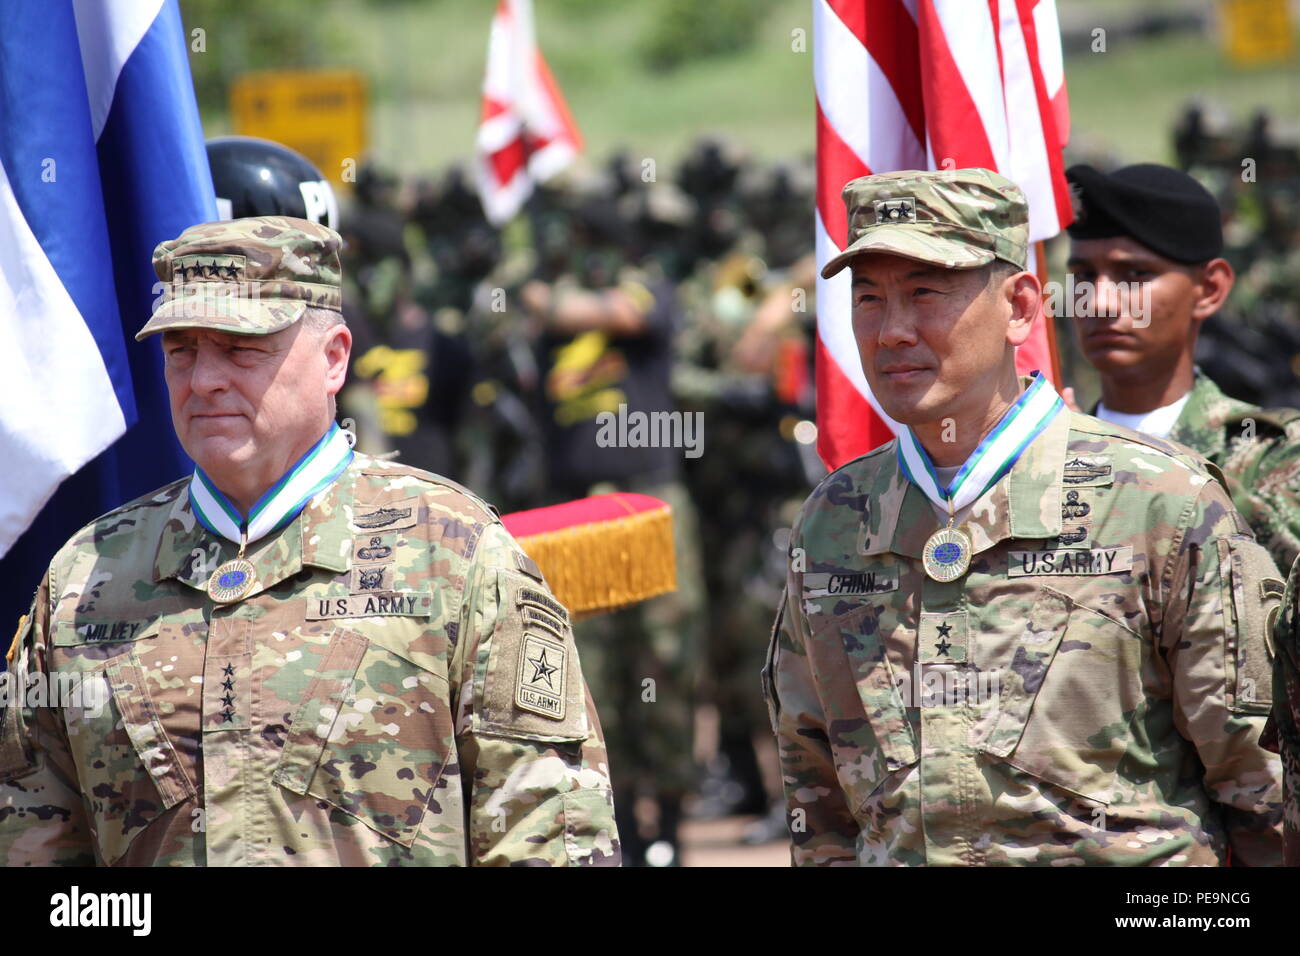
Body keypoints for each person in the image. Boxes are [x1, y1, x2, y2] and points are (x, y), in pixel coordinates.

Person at [0, 216, 619, 866]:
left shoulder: (455, 553)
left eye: (242, 347)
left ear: (334, 359)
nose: (203, 378)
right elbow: (32, 841)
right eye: (181, 348)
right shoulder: (87, 578)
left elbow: (552, 836)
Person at [763, 168, 1283, 866]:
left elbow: (1262, 793)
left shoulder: (1161, 501)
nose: (890, 332)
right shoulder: (833, 521)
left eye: (924, 293)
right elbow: (817, 797)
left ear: (1020, 307)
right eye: (868, 299)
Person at [1065, 162, 1300, 573]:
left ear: (1209, 289)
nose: (1098, 302)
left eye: (1134, 275)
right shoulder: (1049, 456)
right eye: (1084, 276)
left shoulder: (1276, 455)